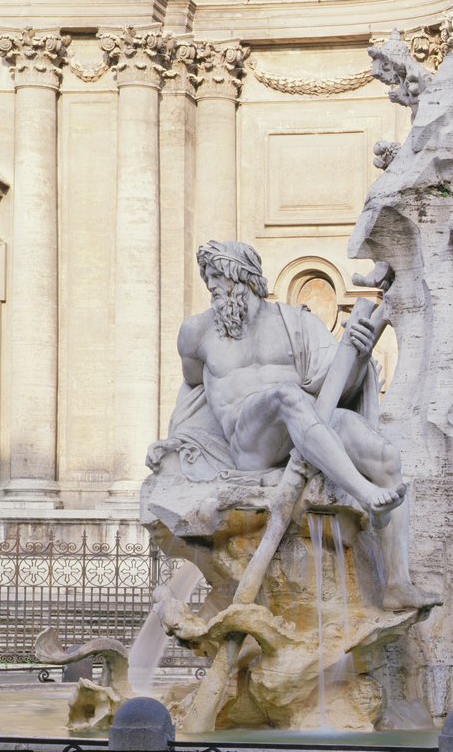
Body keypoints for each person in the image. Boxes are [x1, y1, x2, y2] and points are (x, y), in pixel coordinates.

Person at [148, 240, 433, 609]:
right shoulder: (196, 333)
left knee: (385, 457)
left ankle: (397, 584)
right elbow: (192, 386)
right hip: (248, 444)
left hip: (304, 425)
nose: (212, 286)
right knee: (287, 396)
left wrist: (359, 355)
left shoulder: (296, 323)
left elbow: (336, 383)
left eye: (218, 276)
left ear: (245, 277)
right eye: (208, 278)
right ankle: (366, 495)